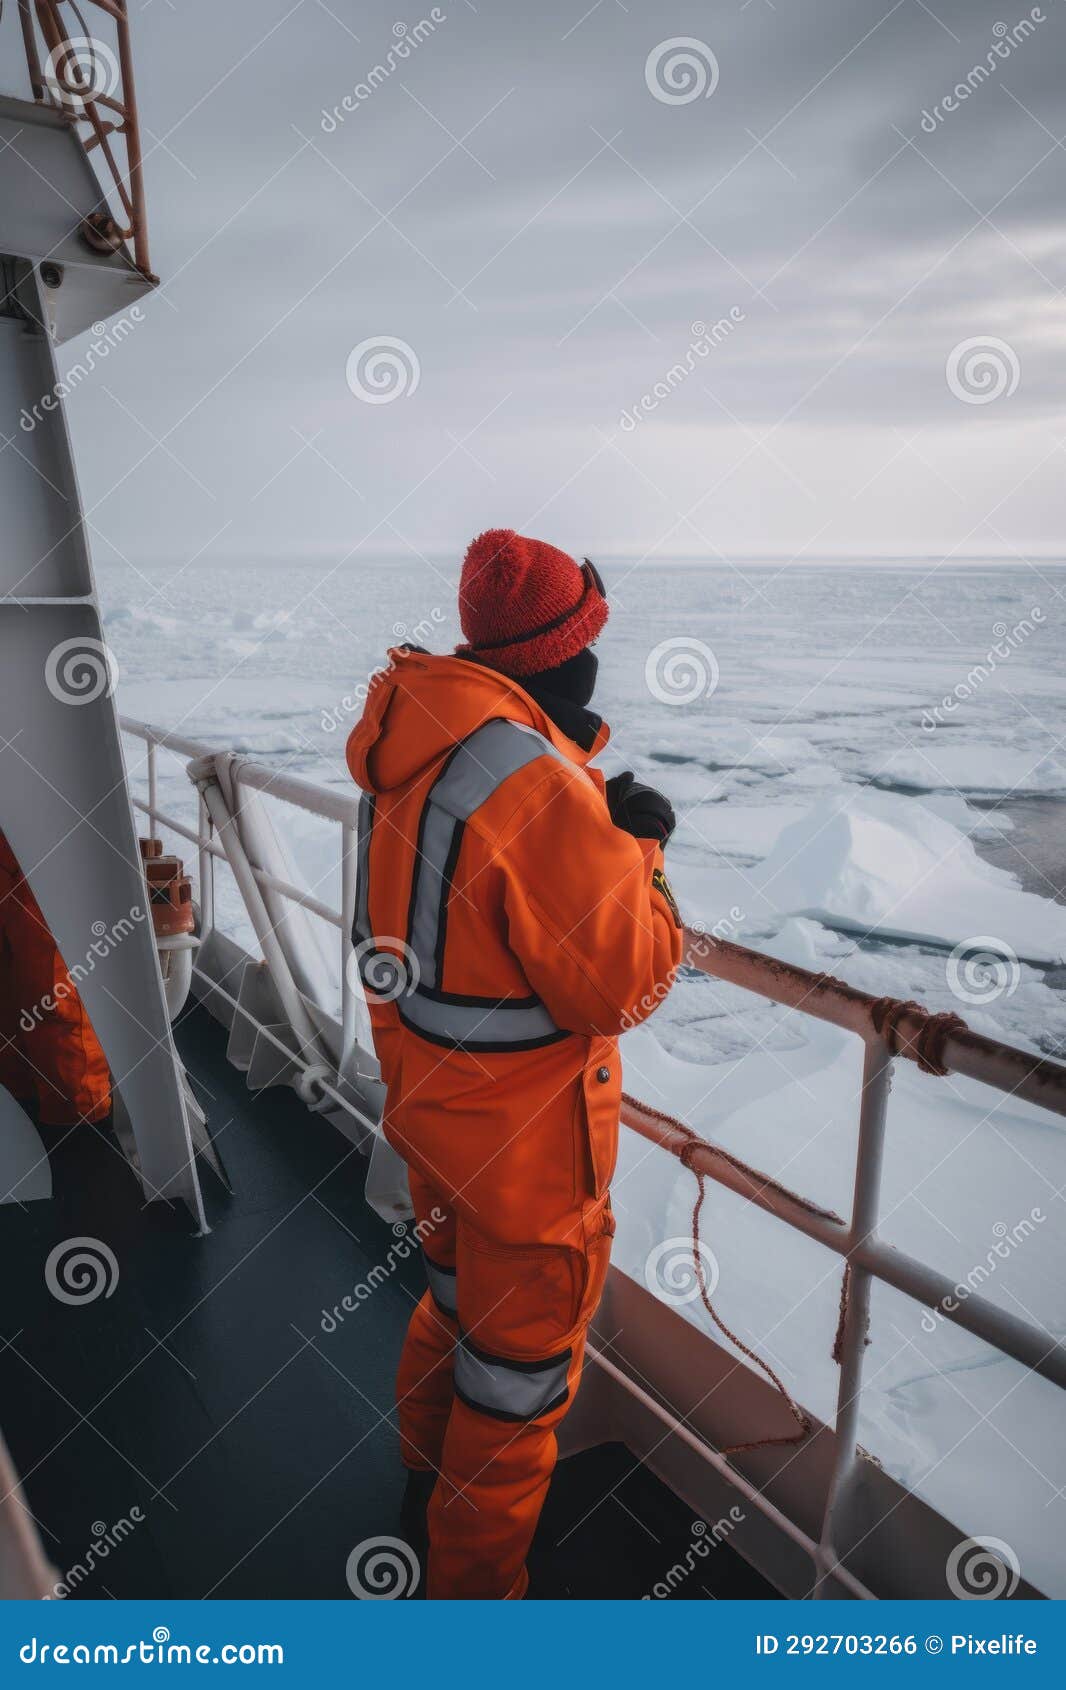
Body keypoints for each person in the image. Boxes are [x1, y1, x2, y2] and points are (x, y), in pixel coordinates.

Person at [345, 528, 683, 1599]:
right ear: (561, 654)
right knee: (516, 1395)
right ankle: (471, 1613)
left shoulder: (417, 739)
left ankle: (416, 1490)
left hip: (434, 1127)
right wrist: (642, 851)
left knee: (449, 1311)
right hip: (527, 1168)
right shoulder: (530, 781)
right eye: (589, 642)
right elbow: (623, 981)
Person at [0, 830, 111, 1129]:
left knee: (51, 987)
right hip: (30, 831)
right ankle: (37, 1102)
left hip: (33, 828)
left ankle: (75, 1116)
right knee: (45, 985)